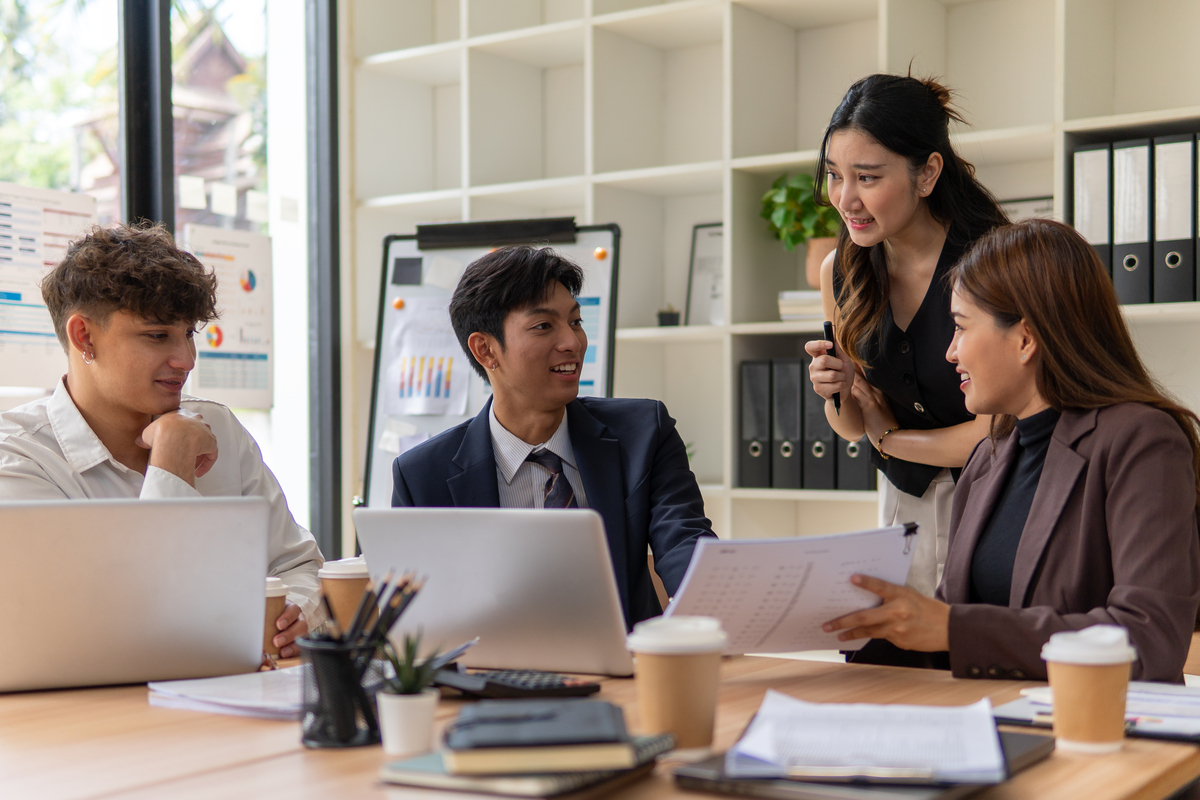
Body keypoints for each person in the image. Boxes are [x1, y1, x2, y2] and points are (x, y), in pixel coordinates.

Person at [822, 219, 1200, 682]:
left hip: (1092, 732)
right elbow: (948, 636)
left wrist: (950, 627)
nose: (950, 353)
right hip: (988, 722)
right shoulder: (989, 456)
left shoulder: (1143, 442)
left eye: (960, 327)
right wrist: (856, 628)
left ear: (1025, 339)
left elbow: (1148, 638)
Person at [0, 224, 324, 658]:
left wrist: (299, 613)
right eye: (157, 336)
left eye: (189, 334)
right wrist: (171, 457)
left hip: (232, 697)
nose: (186, 360)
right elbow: (135, 618)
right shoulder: (21, 459)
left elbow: (297, 564)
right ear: (84, 337)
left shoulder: (219, 428)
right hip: (93, 715)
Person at [391, 245, 716, 628]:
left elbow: (685, 541)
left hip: (627, 677)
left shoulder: (644, 433)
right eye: (544, 326)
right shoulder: (422, 476)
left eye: (575, 322)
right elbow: (416, 619)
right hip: (494, 680)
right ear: (486, 350)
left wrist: (712, 604)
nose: (573, 342)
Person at [805, 74, 1009, 598]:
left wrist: (889, 437)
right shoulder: (839, 270)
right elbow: (850, 425)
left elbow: (1001, 430)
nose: (845, 199)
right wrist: (838, 387)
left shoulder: (994, 264)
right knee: (889, 668)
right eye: (834, 175)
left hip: (995, 499)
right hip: (904, 508)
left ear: (927, 173)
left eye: (867, 178)